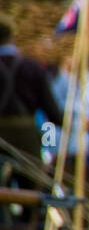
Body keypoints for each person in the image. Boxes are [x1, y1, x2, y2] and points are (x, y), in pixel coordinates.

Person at [0, 19, 63, 191]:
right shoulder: (31, 67)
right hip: (26, 136)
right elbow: (52, 113)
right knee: (33, 190)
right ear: (12, 38)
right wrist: (53, 135)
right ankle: (29, 217)